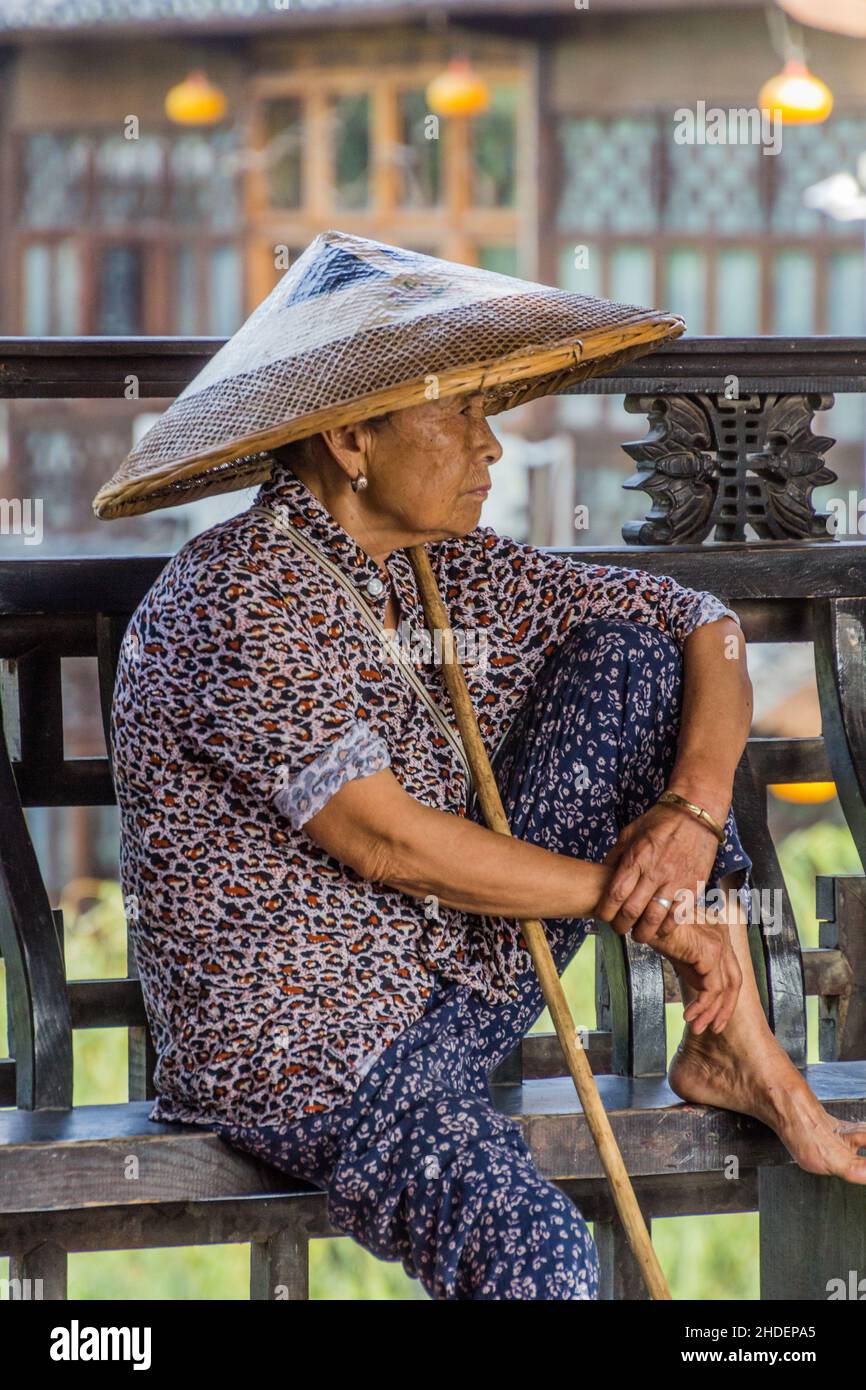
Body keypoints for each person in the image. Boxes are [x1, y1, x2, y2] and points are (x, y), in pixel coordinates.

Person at [95, 230, 866, 1301]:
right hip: (306, 1055)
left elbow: (707, 625)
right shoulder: (239, 595)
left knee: (633, 659)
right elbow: (386, 840)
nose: (488, 445)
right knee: (537, 1262)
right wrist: (634, 903)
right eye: (454, 412)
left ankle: (735, 1047)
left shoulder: (440, 570)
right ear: (354, 433)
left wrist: (688, 815)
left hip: (450, 992)